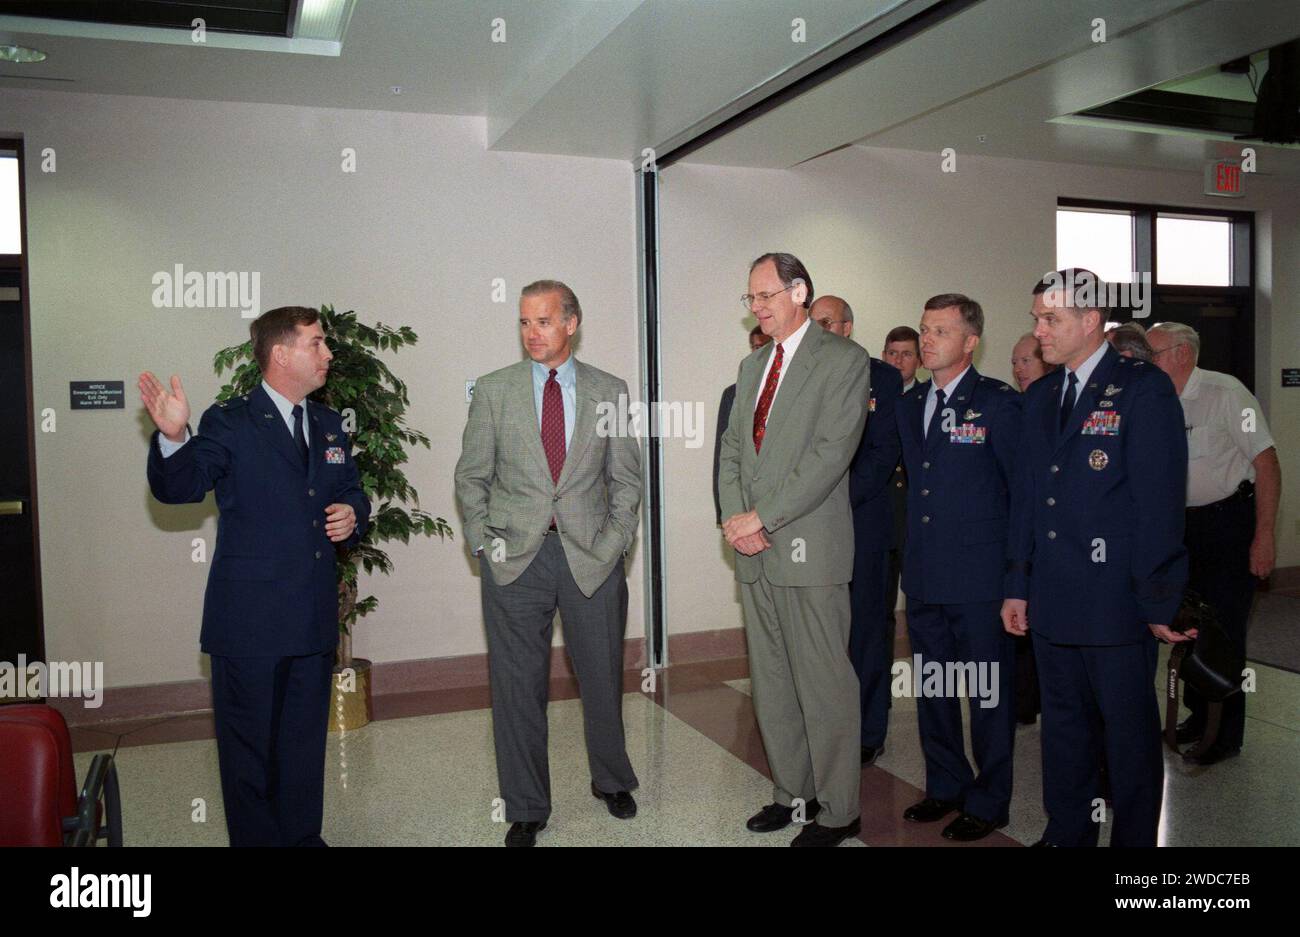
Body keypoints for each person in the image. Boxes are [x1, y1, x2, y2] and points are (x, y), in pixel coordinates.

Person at [140, 305, 371, 847]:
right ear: (280, 353)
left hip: (312, 617)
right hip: (250, 625)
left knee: (302, 745)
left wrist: (353, 513)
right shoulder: (231, 420)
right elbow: (183, 487)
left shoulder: (329, 423)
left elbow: (350, 489)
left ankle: (301, 838)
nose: (328, 354)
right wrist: (175, 438)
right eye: (316, 343)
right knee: (249, 756)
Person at [1003, 269, 1188, 847]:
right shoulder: (1040, 398)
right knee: (1064, 731)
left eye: (1050, 319)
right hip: (1053, 600)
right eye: (1035, 317)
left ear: (1091, 322)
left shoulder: (1141, 388)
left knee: (1128, 739)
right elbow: (1027, 502)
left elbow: (1159, 502)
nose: (1038, 332)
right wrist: (1017, 583)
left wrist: (1159, 599)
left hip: (1115, 603)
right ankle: (1068, 833)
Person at [454, 280, 642, 847]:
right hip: (516, 562)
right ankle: (526, 805)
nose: (531, 333)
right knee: (516, 686)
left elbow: (626, 480)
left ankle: (612, 779)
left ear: (571, 324)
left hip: (591, 558)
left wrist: (613, 547)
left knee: (602, 675)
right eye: (523, 322)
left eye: (542, 321)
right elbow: (471, 477)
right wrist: (485, 545)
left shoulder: (610, 389)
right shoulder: (493, 390)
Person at [719, 253, 869, 847]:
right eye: (750, 299)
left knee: (824, 683)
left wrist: (764, 516)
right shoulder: (753, 365)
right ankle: (792, 793)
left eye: (765, 296)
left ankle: (839, 809)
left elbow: (831, 454)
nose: (756, 308)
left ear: (799, 292)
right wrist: (737, 521)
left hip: (810, 549)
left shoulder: (844, 361)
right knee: (773, 680)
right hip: (754, 552)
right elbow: (732, 451)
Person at [895, 294, 1020, 841]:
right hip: (923, 577)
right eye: (925, 330)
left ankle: (991, 799)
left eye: (941, 331)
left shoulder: (997, 403)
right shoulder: (910, 401)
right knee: (935, 688)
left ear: (970, 341)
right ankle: (945, 783)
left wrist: (1018, 579)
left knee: (987, 694)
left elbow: (1022, 497)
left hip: (980, 582)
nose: (928, 340)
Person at [1148, 321, 1280, 764]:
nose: (1149, 363)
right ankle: (1197, 715)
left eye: (1155, 353)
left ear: (1182, 354)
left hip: (1228, 525)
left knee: (1224, 634)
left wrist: (1264, 536)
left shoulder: (1228, 394)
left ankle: (1225, 734)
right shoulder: (1157, 398)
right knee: (1188, 627)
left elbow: (1266, 463)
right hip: (1182, 529)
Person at [810, 295, 903, 766]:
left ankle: (868, 729)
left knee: (866, 633)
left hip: (862, 525)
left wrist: (827, 500)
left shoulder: (881, 378)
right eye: (813, 322)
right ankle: (826, 726)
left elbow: (882, 454)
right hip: (812, 531)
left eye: (827, 322)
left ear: (847, 327)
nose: (819, 328)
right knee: (821, 635)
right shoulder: (804, 376)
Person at [881, 325, 921, 665]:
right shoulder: (870, 399)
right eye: (892, 353)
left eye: (906, 354)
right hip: (880, 522)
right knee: (879, 611)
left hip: (917, 521)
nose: (898, 361)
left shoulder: (926, 401)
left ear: (918, 360)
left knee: (921, 609)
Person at [715, 326, 772, 524]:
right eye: (755, 347)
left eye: (764, 346)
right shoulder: (734, 393)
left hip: (781, 506)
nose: (759, 352)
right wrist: (726, 514)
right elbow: (725, 456)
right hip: (745, 505)